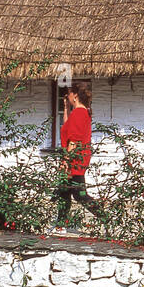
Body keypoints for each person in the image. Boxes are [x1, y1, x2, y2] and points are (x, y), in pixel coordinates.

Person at [51, 80, 104, 232]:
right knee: (64, 191)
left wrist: (65, 161)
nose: (66, 96)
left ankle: (103, 216)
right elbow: (68, 128)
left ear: (74, 95)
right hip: (78, 156)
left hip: (75, 158)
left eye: (68, 94)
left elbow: (73, 140)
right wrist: (66, 108)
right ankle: (60, 225)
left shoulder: (79, 113)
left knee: (79, 194)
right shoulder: (82, 111)